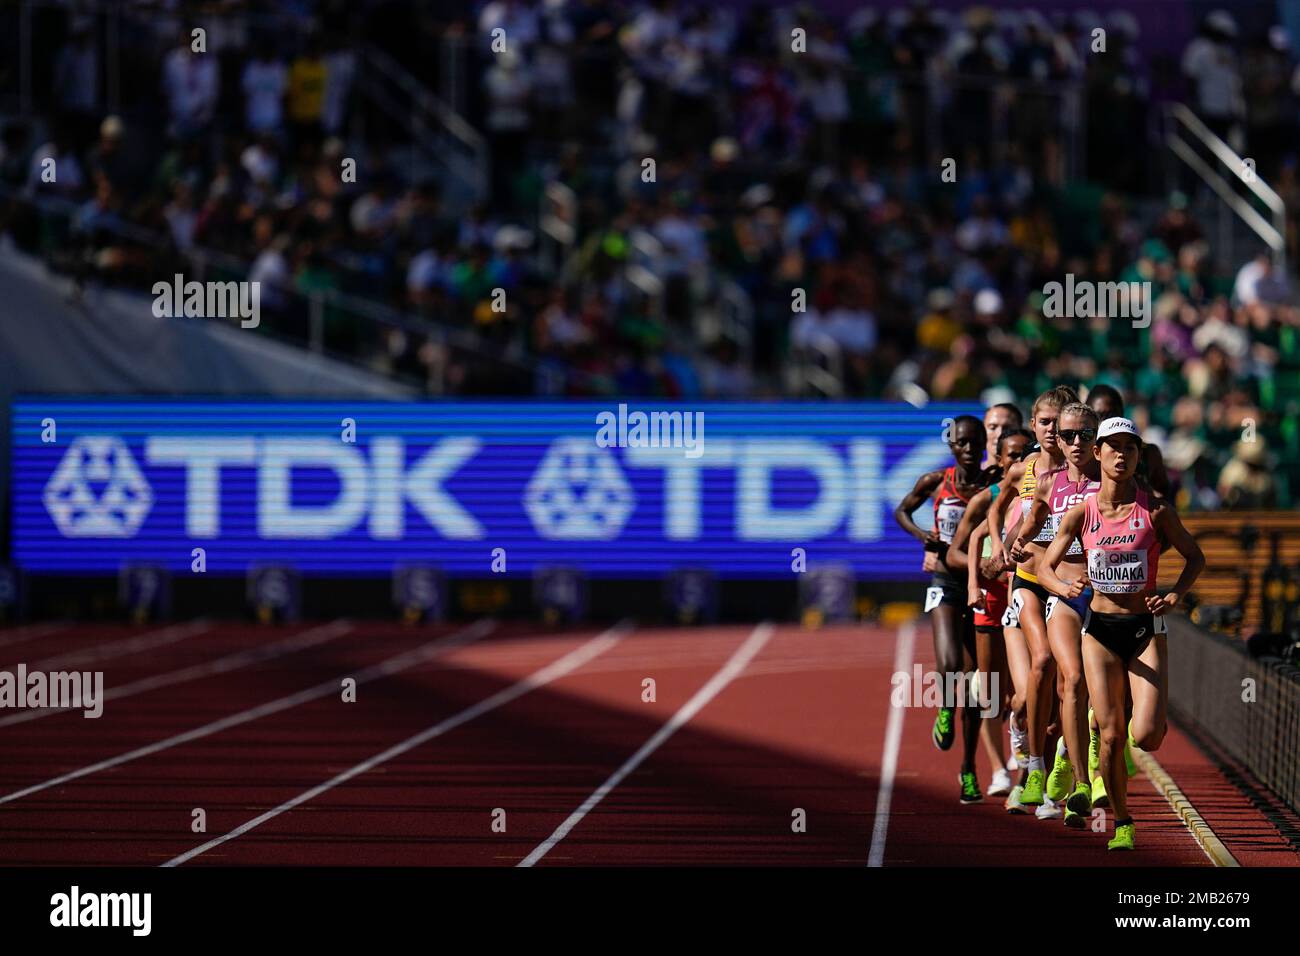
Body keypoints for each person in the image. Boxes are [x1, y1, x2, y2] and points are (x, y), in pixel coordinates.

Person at [1037, 418, 1205, 850]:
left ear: (1136, 456)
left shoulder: (1156, 510)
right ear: (1098, 453)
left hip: (1145, 629)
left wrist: (1174, 595)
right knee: (1111, 736)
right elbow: (1044, 565)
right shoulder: (1083, 511)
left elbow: (1194, 557)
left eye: (1130, 448)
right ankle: (1123, 822)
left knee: (1146, 735)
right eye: (1112, 447)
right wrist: (1061, 588)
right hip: (1100, 631)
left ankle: (1131, 722)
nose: (1121, 455)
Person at [1007, 403, 1100, 827]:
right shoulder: (1042, 481)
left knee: (1090, 693)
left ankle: (1069, 759)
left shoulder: (1113, 478)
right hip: (1052, 588)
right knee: (1065, 675)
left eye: (1084, 434)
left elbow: (1154, 522)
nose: (1075, 442)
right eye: (1067, 435)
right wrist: (1008, 548)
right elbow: (1024, 526)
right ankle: (1046, 768)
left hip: (1106, 597)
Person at [986, 385, 1076, 818]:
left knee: (1063, 686)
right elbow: (999, 511)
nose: (1051, 432)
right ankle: (1033, 766)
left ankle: (1058, 767)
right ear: (1034, 424)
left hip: (1065, 584)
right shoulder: (1023, 469)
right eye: (1044, 423)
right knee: (1041, 663)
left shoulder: (1083, 473)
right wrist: (1002, 549)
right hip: (1026, 583)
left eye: (1060, 426)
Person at [896, 416, 993, 803]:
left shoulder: (994, 483)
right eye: (962, 442)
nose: (969, 449)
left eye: (976, 442)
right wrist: (925, 538)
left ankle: (968, 768)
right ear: (952, 445)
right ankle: (943, 709)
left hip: (984, 585)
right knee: (950, 664)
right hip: (946, 582)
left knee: (977, 686)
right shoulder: (936, 481)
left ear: (985, 444)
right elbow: (902, 510)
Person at [946, 426, 1033, 805]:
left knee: (1023, 690)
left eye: (1021, 455)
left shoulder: (1039, 492)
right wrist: (977, 577)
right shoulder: (991, 497)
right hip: (991, 599)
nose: (1017, 461)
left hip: (1022, 595)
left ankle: (1025, 762)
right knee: (992, 691)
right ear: (999, 461)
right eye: (1010, 456)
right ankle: (999, 766)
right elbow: (966, 543)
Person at [1085, 384, 1170, 496]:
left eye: (1110, 414)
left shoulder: (1147, 454)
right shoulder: (1082, 454)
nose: (1105, 421)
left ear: (1122, 414)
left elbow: (1162, 495)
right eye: (1099, 415)